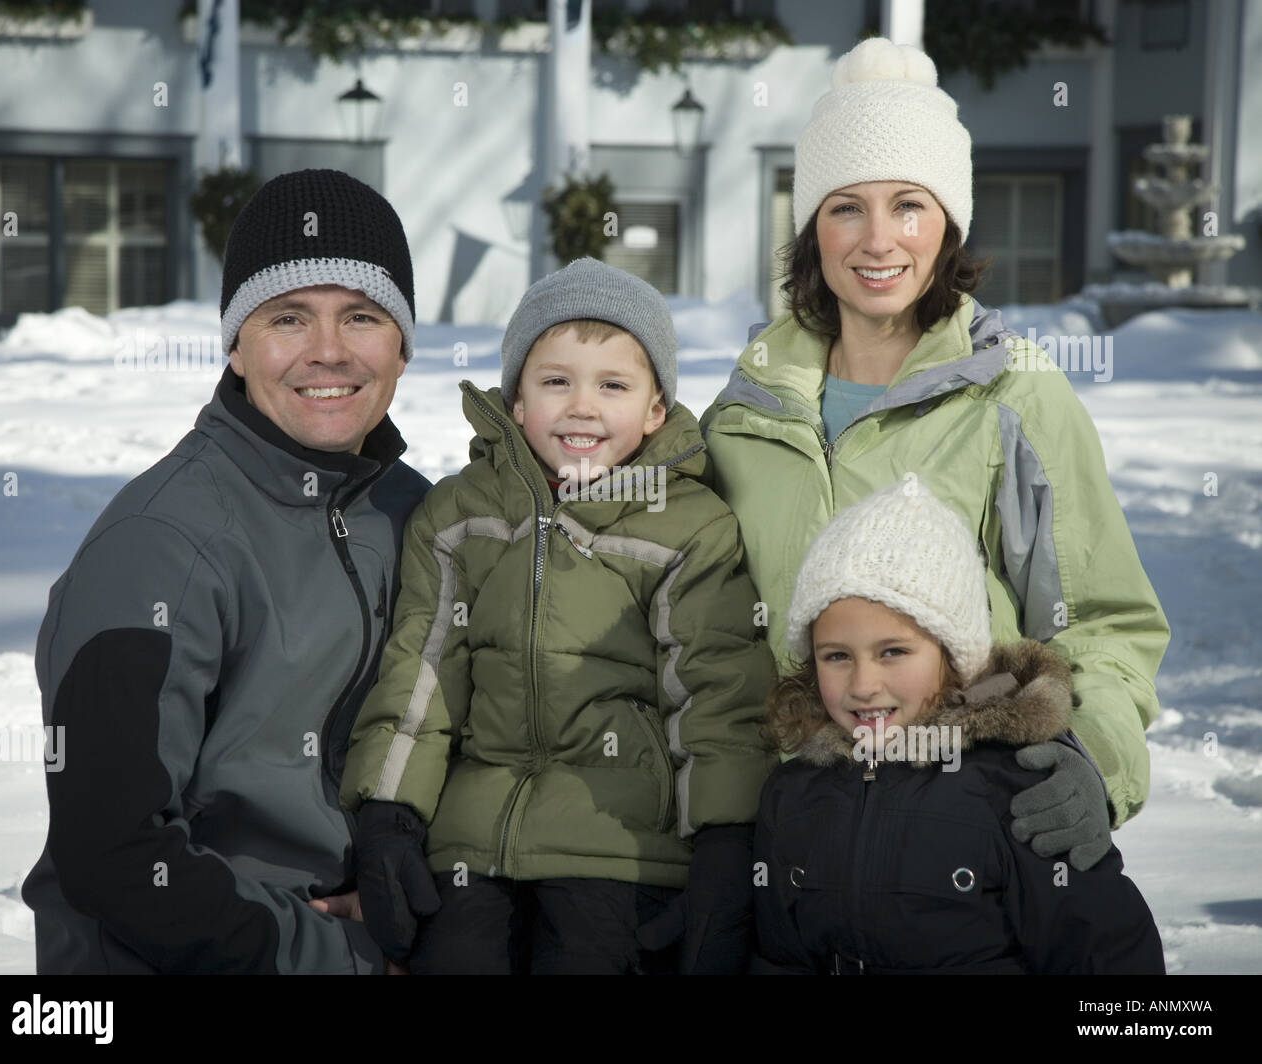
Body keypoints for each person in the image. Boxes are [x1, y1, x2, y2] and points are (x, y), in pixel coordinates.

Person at [700, 37, 1170, 861]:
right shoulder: (748, 409)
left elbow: (1103, 624)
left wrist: (1094, 757)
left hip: (958, 821)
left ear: (948, 221)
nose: (879, 240)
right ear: (813, 225)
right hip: (780, 830)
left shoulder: (1016, 394)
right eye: (847, 206)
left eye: (908, 204)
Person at [21, 168, 430, 973]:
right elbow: (116, 853)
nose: (328, 351)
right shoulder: (159, 545)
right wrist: (345, 956)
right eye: (287, 317)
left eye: (361, 315)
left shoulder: (422, 517)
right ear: (236, 346)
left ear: (403, 345)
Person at [341, 258, 776, 974]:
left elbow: (714, 693)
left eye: (613, 385)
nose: (582, 406)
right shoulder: (459, 515)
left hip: (623, 844)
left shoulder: (688, 526)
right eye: (555, 381)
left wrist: (726, 844)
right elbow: (421, 673)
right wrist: (389, 816)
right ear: (515, 402)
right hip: (473, 840)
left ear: (655, 410)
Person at [753, 480, 1165, 974]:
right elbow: (778, 955)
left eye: (893, 652)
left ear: (954, 657)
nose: (863, 684)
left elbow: (1106, 952)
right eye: (837, 656)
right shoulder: (794, 793)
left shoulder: (1019, 787)